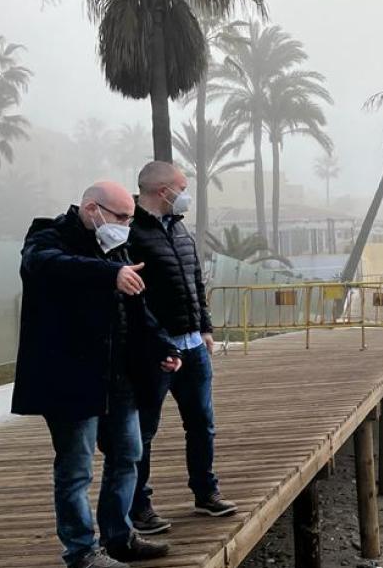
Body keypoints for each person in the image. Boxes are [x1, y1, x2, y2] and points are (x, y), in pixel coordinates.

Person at [12, 182, 183, 568]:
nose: (125, 225)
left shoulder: (116, 249)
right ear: (93, 209)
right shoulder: (48, 236)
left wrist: (163, 346)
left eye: (129, 218)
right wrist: (109, 274)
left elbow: (137, 311)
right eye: (121, 217)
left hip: (118, 377)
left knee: (128, 455)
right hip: (71, 378)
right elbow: (46, 265)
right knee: (76, 468)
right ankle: (81, 552)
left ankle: (118, 536)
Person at [127, 161, 236, 535]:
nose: (185, 194)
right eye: (182, 187)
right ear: (163, 191)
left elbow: (194, 281)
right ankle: (139, 507)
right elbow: (133, 300)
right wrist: (157, 341)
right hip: (156, 350)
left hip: (192, 344)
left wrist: (204, 326)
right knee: (144, 431)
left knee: (202, 424)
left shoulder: (179, 229)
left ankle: (206, 493)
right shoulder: (131, 232)